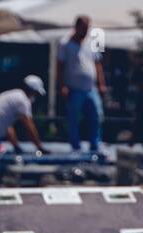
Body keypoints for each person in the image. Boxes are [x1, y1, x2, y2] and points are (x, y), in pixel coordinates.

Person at [0, 75, 46, 188]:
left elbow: (7, 127)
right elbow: (29, 127)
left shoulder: (11, 95)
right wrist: (40, 147)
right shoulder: (23, 101)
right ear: (32, 91)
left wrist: (16, 146)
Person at [57, 16, 107, 152]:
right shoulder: (64, 42)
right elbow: (59, 66)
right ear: (77, 27)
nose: (86, 31)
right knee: (74, 118)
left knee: (96, 115)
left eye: (87, 28)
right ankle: (75, 146)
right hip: (74, 87)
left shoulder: (93, 41)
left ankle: (95, 144)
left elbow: (98, 64)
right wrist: (62, 85)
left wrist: (102, 83)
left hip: (91, 87)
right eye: (84, 28)